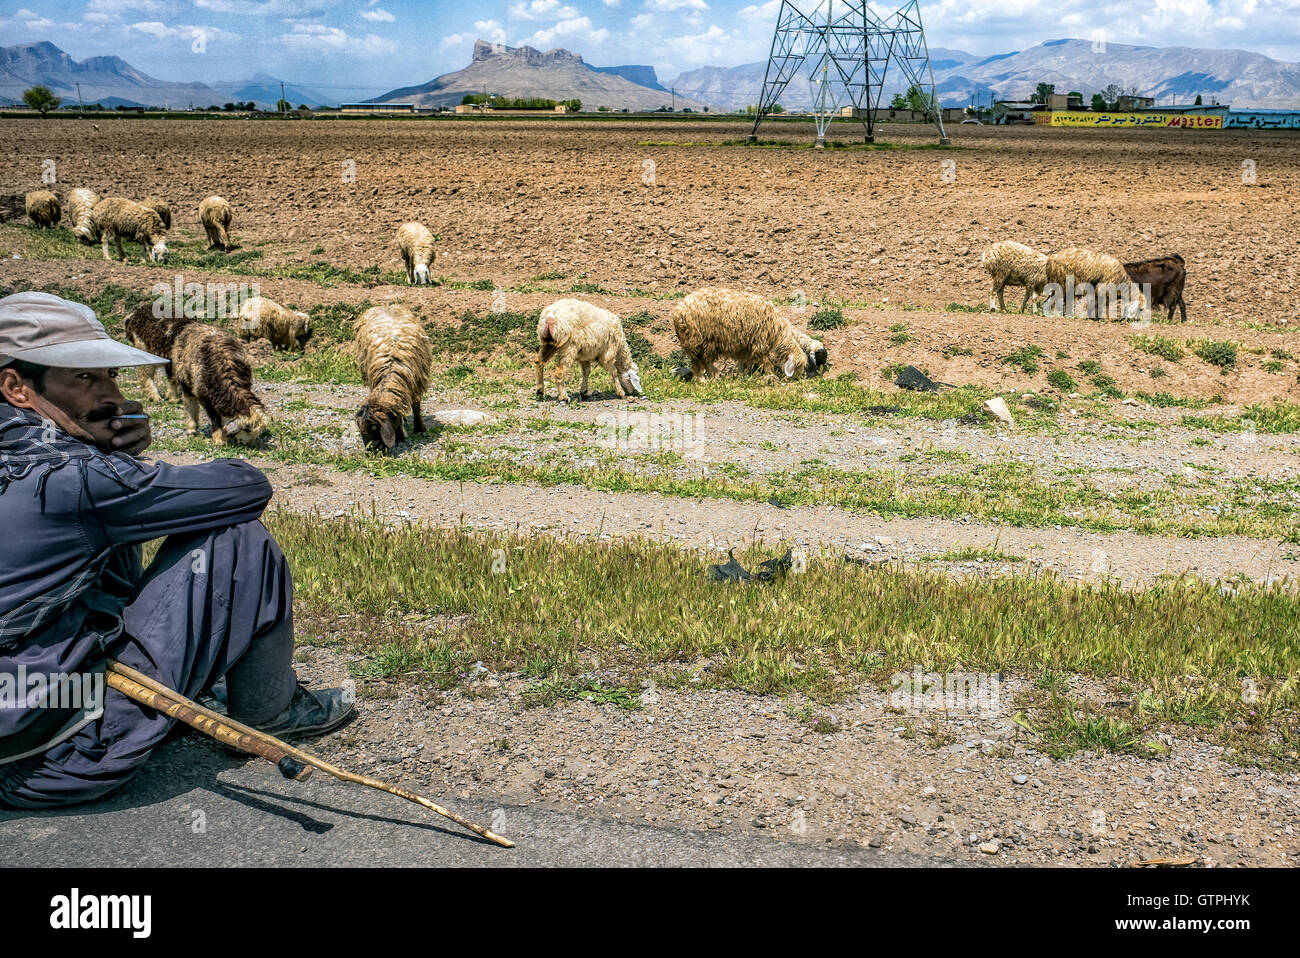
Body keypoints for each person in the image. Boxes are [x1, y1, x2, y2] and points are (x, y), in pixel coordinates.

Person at [0, 291, 354, 809]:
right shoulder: (72, 477)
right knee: (236, 537)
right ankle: (271, 710)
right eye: (83, 377)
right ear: (17, 387)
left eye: (111, 375)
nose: (112, 396)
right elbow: (244, 487)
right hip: (59, 760)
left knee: (101, 544)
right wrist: (117, 463)